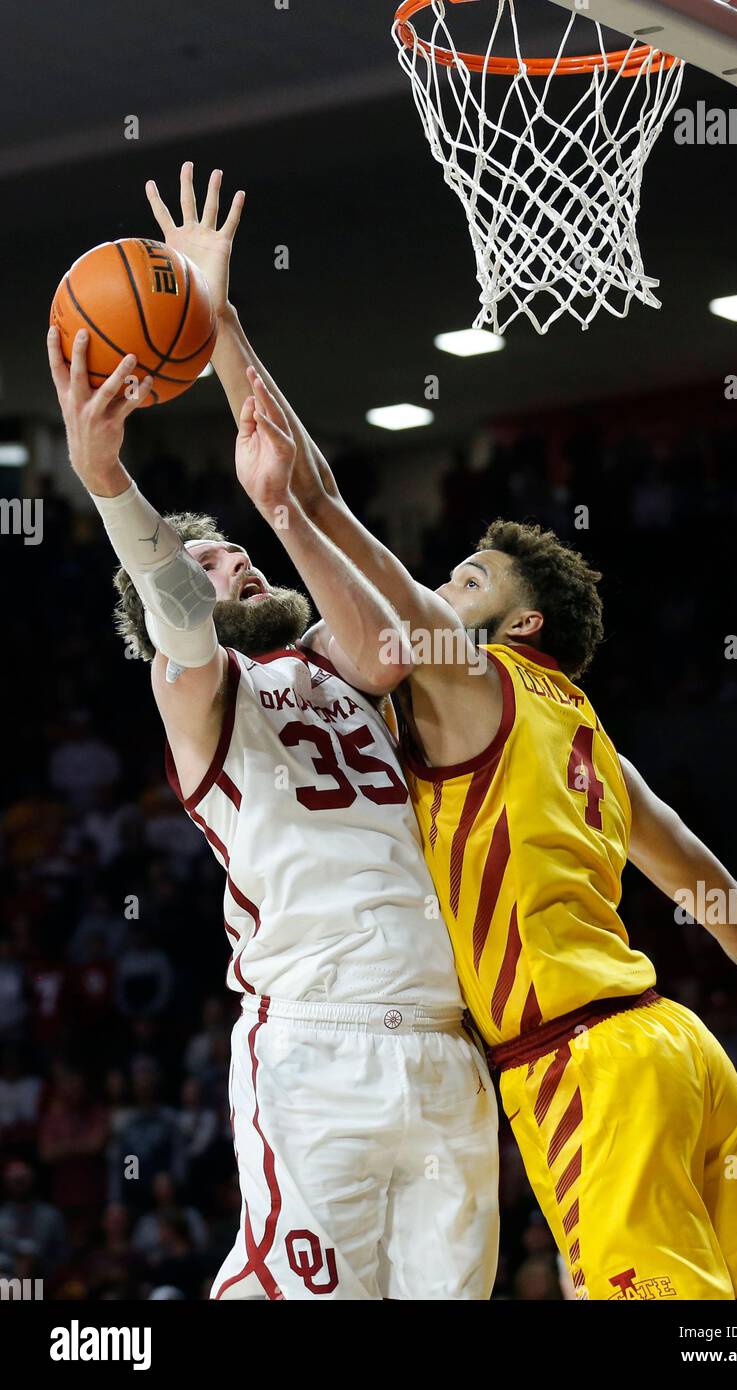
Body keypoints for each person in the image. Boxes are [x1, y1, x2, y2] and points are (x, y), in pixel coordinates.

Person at [168, 164, 737, 1301]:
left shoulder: (466, 680)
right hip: (682, 1051)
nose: (443, 578)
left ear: (516, 620)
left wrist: (225, 328)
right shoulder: (589, 736)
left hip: (585, 1066)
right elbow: (704, 879)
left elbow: (324, 498)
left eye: (467, 575)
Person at [46, 255, 498, 1299]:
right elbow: (178, 613)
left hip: (440, 1041)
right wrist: (109, 479)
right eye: (205, 562)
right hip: (316, 1043)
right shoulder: (196, 694)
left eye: (233, 553)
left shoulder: (334, 662)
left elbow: (381, 643)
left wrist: (223, 325)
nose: (235, 563)